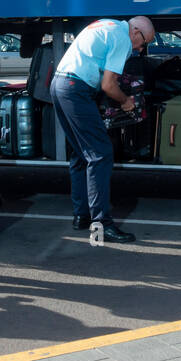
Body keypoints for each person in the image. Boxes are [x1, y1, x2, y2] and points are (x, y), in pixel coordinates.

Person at [50, 16, 155, 244]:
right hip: (75, 89)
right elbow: (108, 85)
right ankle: (101, 225)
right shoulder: (122, 39)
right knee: (101, 154)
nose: (140, 49)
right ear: (135, 32)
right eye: (144, 42)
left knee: (81, 153)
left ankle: (81, 215)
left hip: (59, 85)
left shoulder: (106, 25)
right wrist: (126, 101)